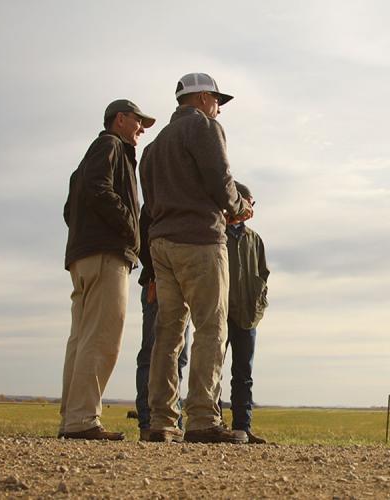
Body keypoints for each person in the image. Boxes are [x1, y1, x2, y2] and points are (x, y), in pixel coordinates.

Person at [140, 73, 253, 443]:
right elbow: (221, 180)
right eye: (217, 100)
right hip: (200, 241)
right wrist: (239, 207)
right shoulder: (205, 128)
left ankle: (161, 421)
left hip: (162, 245)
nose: (219, 107)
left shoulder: (152, 148)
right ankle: (204, 418)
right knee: (210, 328)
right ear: (202, 97)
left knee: (168, 334)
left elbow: (150, 205)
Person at [60, 99, 155, 440]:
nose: (141, 128)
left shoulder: (95, 153)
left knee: (82, 337)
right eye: (138, 121)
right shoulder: (109, 145)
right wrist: (129, 228)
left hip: (84, 255)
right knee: (102, 338)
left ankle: (72, 418)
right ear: (120, 119)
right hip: (105, 255)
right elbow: (97, 190)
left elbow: (71, 208)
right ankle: (83, 420)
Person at [219, 181, 269, 444]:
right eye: (248, 201)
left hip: (247, 316)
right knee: (212, 368)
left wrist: (258, 307)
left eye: (253, 203)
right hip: (219, 313)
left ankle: (243, 426)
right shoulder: (216, 233)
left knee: (243, 374)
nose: (251, 208)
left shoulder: (254, 239)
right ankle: (214, 423)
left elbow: (263, 275)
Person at [134, 208, 190, 441]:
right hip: (157, 283)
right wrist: (155, 274)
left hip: (180, 285)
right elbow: (141, 237)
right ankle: (150, 420)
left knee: (180, 355)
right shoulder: (157, 200)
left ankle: (172, 418)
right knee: (153, 351)